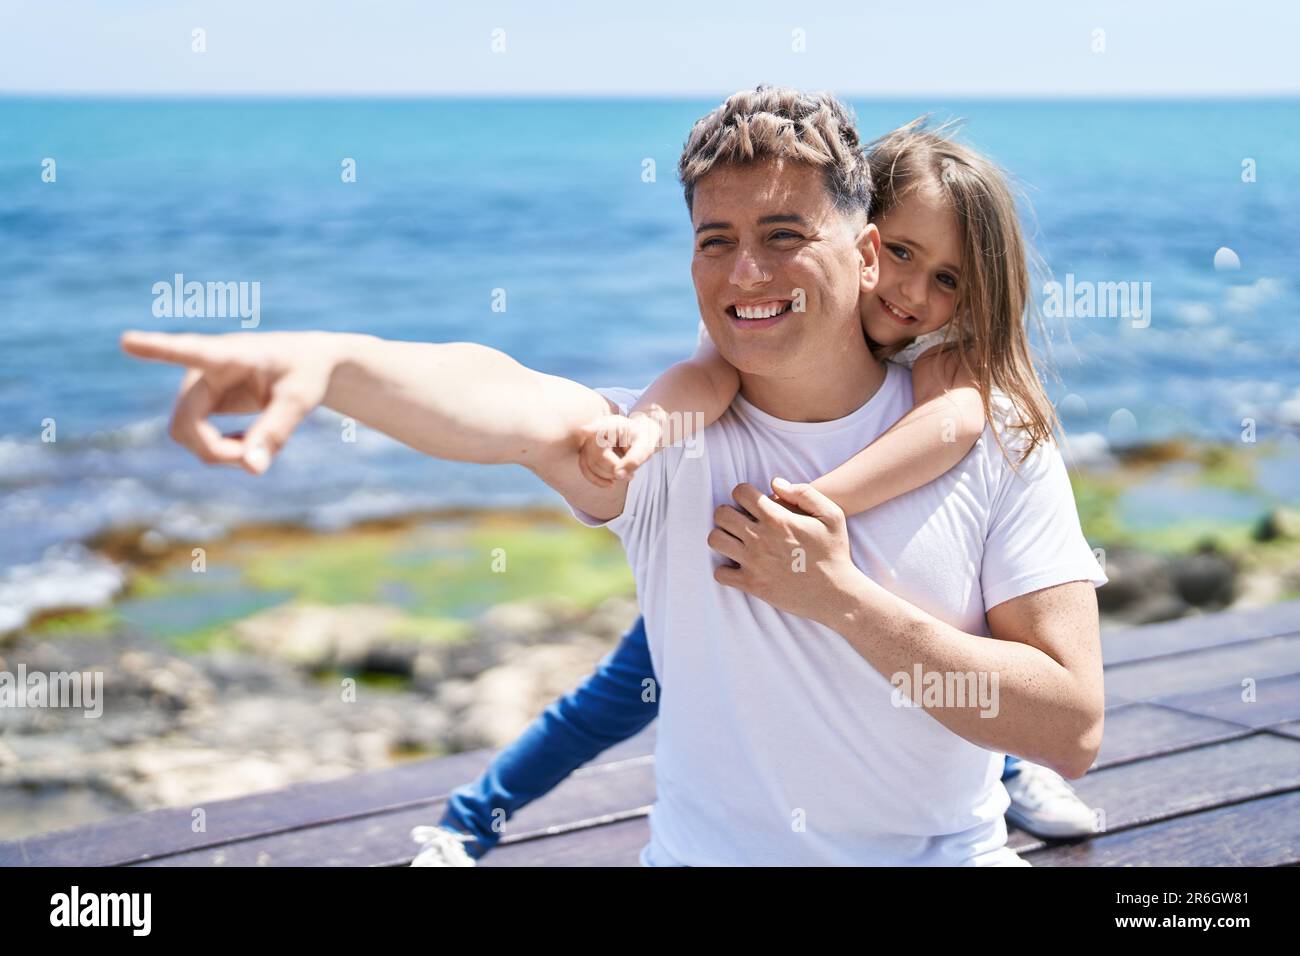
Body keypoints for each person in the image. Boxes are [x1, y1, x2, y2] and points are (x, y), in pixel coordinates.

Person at [121, 85, 1107, 866]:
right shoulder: (662, 434)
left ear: (861, 249)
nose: (745, 275)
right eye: (715, 241)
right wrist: (336, 361)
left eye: (781, 235)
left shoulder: (993, 434)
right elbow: (503, 394)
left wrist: (838, 596)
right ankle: (471, 820)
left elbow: (1070, 726)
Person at [414, 116, 1100, 866]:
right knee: (613, 698)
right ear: (860, 241)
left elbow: (953, 426)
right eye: (901, 252)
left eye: (947, 279)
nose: (910, 290)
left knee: (944, 651)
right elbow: (703, 375)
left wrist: (806, 507)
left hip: (774, 544)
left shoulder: (946, 366)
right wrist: (647, 430)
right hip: (732, 568)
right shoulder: (766, 322)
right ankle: (470, 820)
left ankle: (1013, 766)